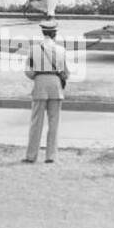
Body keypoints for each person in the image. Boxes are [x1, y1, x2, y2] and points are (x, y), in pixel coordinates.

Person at [24, 19, 68, 163]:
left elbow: (28, 71)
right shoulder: (61, 50)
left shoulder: (34, 49)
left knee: (36, 122)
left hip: (40, 83)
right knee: (54, 123)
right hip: (55, 85)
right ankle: (51, 156)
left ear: (43, 32)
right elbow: (66, 73)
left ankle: (31, 156)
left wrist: (37, 75)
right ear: (55, 33)